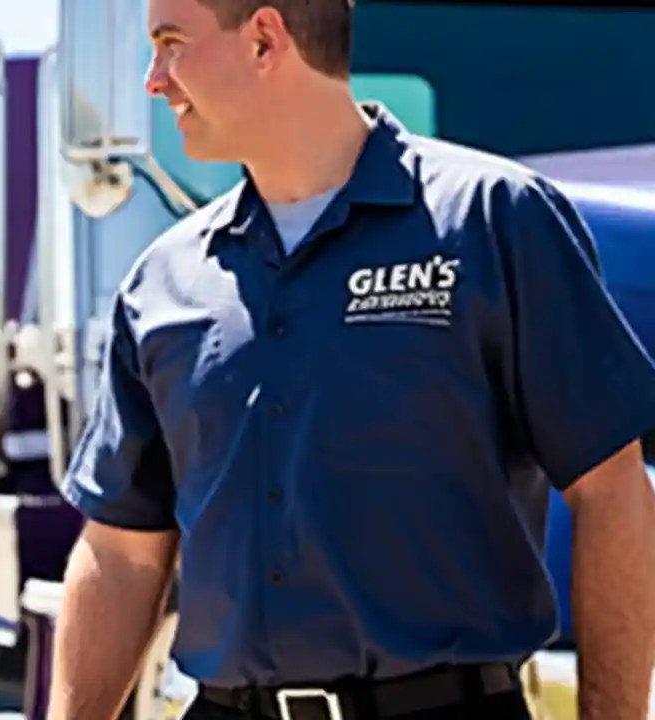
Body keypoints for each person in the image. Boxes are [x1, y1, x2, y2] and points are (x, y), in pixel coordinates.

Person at [48, 0, 655, 718]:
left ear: (265, 39)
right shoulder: (162, 282)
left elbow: (611, 490)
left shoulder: (493, 219)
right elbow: (122, 551)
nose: (155, 80)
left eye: (171, 43)